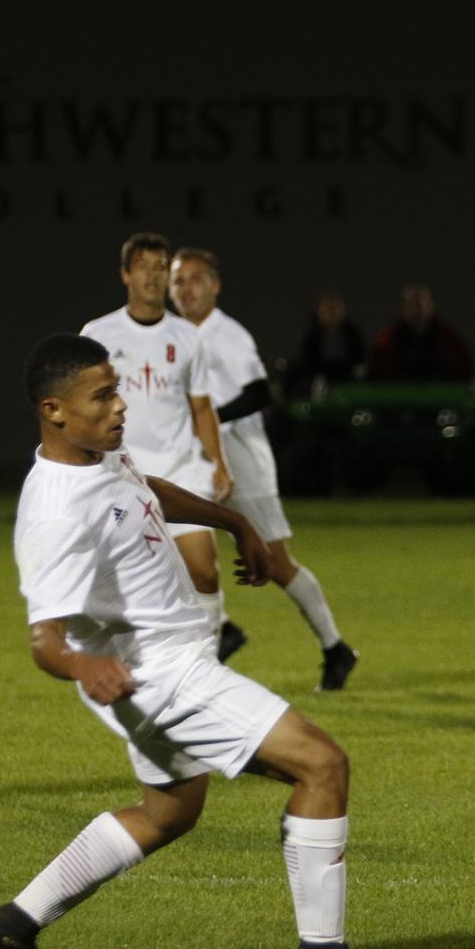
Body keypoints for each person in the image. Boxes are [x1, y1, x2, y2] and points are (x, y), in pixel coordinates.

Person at [0, 333, 381, 949]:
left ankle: (14, 923)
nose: (120, 405)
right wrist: (84, 665)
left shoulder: (98, 454)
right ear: (54, 410)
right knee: (322, 765)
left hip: (162, 668)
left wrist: (234, 521)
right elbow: (44, 642)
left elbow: (146, 489)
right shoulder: (56, 512)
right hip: (161, 675)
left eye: (116, 390)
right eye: (102, 396)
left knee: (167, 813)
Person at [169, 247, 360, 690]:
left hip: (243, 460)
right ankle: (221, 630)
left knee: (274, 563)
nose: (186, 288)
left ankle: (335, 648)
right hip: (198, 461)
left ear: (215, 286)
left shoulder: (226, 333)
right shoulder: (175, 335)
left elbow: (259, 394)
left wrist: (206, 418)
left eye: (196, 279)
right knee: (173, 543)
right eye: (178, 280)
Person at [80, 232, 243, 660]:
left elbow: (201, 407)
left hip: (179, 468)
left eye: (159, 268)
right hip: (122, 474)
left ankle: (206, 661)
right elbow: (82, 404)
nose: (152, 277)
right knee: (126, 584)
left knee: (204, 572)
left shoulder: (187, 336)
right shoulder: (98, 333)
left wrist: (219, 463)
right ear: (125, 275)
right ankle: (131, 666)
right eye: (142, 268)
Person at [370, 283, 474, 382]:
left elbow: (463, 366)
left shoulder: (448, 339)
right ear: (403, 308)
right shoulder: (388, 339)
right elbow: (378, 367)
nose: (418, 310)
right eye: (412, 304)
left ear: (431, 306)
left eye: (422, 304)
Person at [285, 288, 367, 398]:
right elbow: (307, 359)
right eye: (328, 309)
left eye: (336, 308)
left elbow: (360, 357)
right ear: (319, 312)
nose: (332, 313)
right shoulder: (313, 334)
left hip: (346, 372)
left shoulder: (352, 332)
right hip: (320, 373)